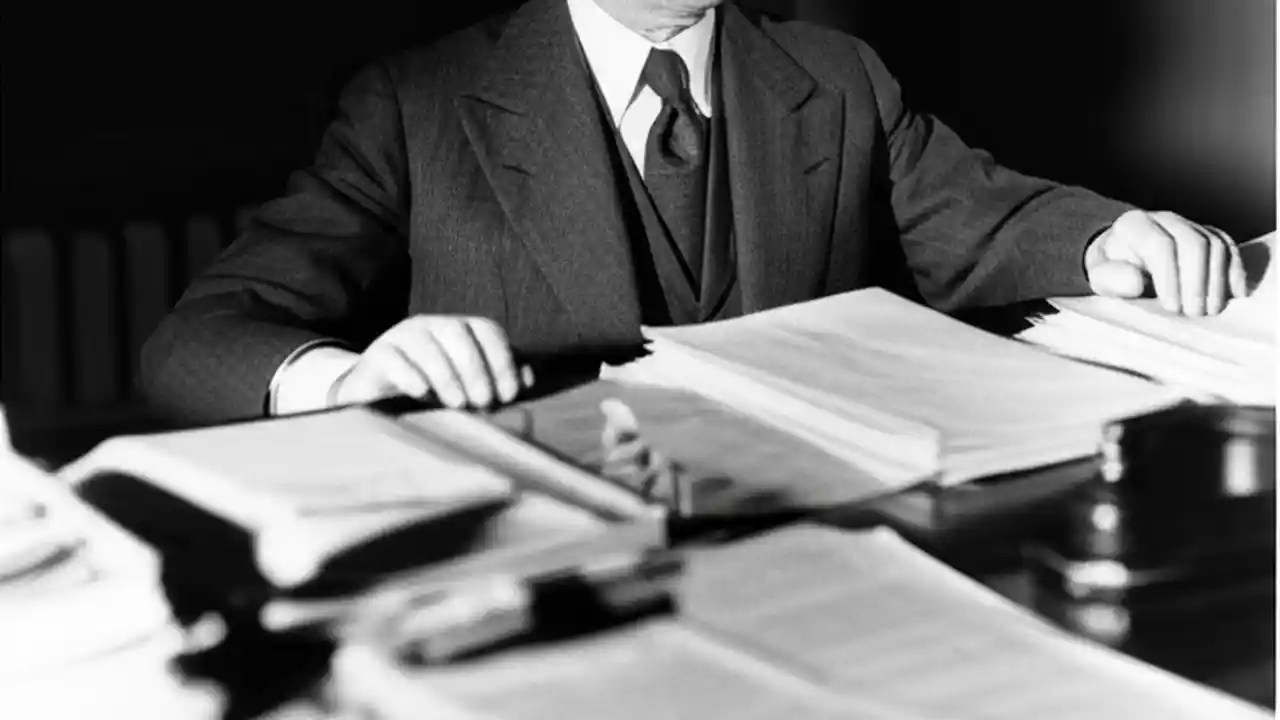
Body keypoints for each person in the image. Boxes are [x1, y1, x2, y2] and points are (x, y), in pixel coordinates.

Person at [141, 0, 1245, 424]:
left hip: (819, 559)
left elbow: (982, 222)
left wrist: (1106, 238)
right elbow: (196, 342)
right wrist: (350, 377)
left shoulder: (837, 76)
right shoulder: (418, 98)